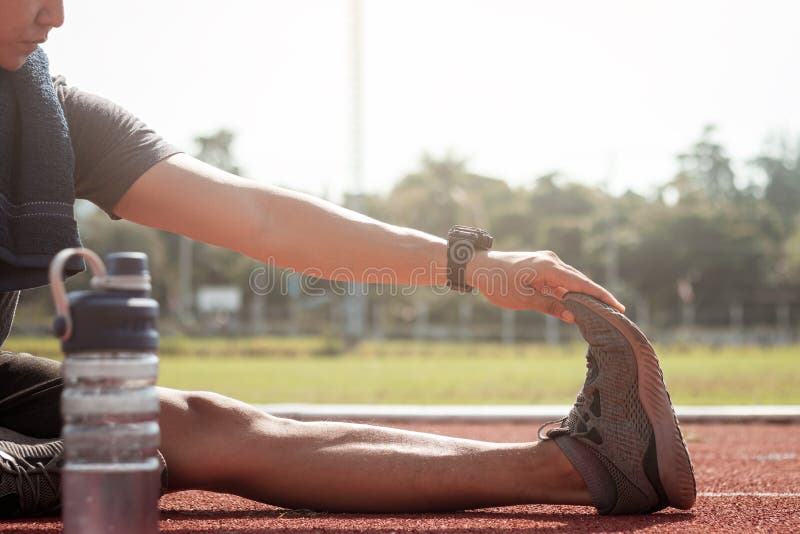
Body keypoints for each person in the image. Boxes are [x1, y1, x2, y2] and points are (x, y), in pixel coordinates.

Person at [0, 0, 695, 518]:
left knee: (201, 428)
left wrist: (475, 264)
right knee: (113, 462)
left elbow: (260, 216)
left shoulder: (49, 116)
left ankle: (586, 469)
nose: (56, 15)